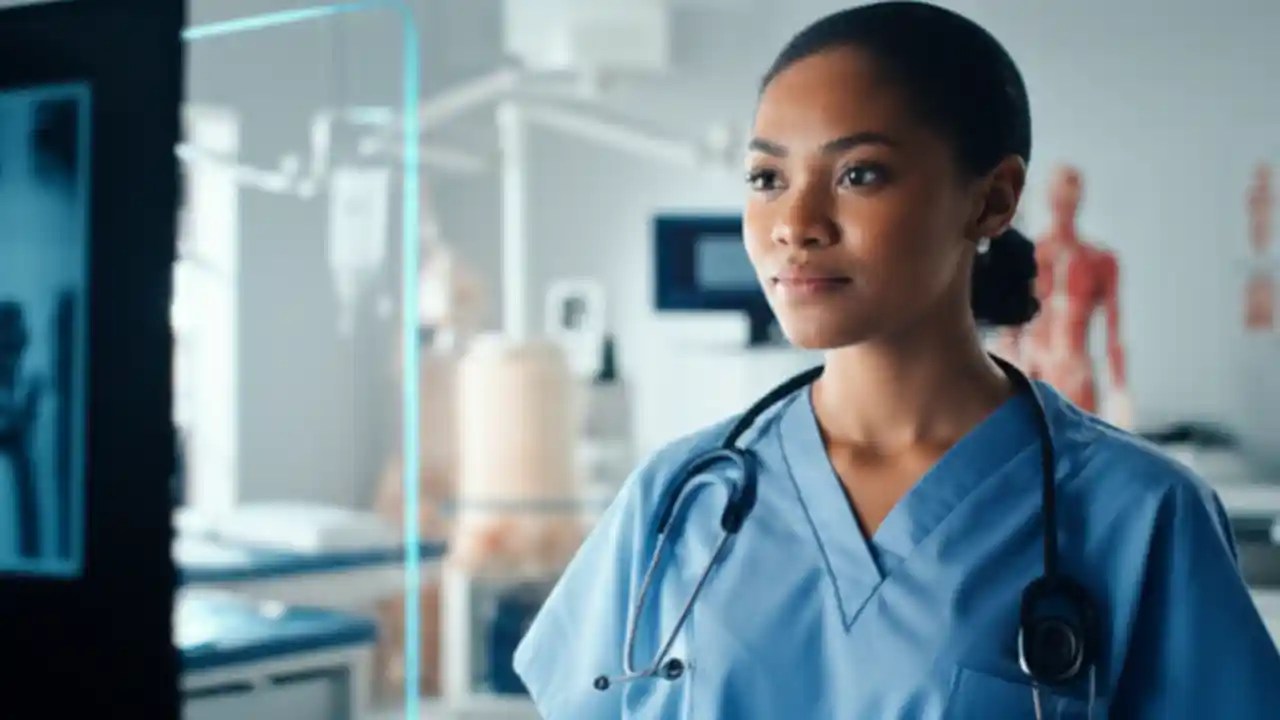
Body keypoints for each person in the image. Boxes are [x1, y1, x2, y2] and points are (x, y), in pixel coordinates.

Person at [513, 3, 1280, 718]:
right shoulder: (679, 496)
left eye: (859, 174)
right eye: (767, 179)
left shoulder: (1137, 512)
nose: (795, 224)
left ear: (992, 200)